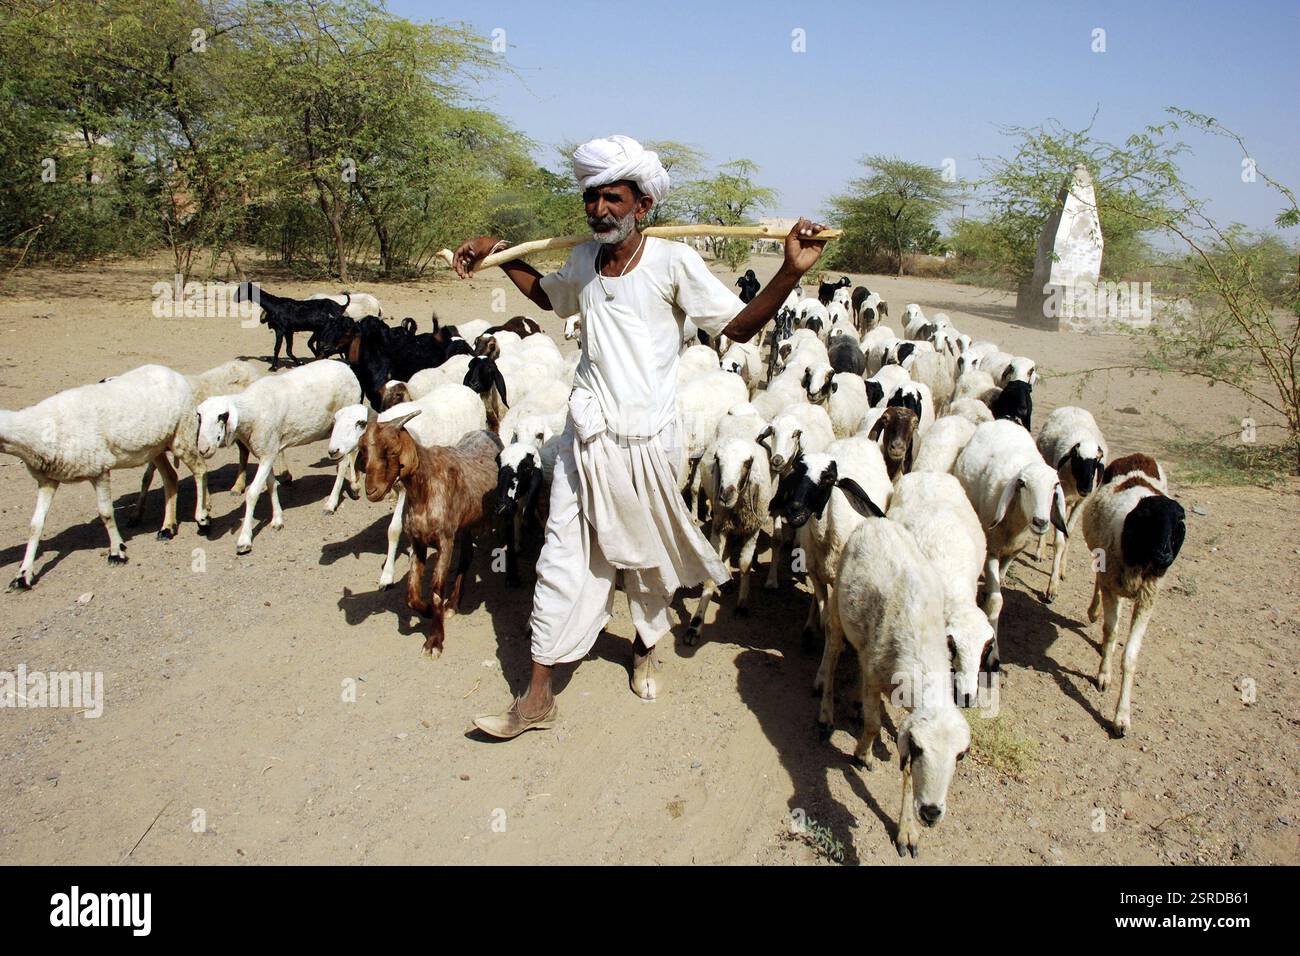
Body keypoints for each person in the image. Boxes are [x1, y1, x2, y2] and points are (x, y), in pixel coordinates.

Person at [451, 134, 827, 739]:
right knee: (561, 558)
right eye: (592, 199)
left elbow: (736, 325)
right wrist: (499, 253)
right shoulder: (583, 262)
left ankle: (647, 644)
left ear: (642, 204)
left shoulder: (673, 264)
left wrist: (789, 270)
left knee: (646, 562)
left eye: (613, 198)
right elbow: (549, 295)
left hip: (649, 442)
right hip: (587, 435)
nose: (600, 210)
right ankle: (538, 695)